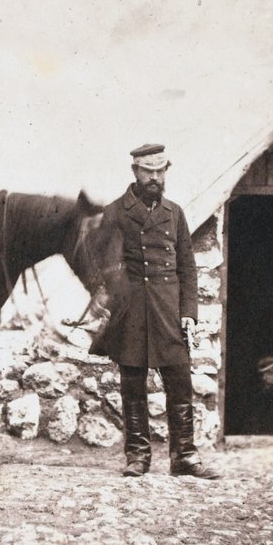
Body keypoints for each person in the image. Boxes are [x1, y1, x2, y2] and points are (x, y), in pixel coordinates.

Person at [90, 143, 221, 479]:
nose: (155, 178)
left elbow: (188, 268)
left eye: (161, 171)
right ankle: (137, 456)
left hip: (168, 309)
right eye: (148, 171)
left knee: (180, 381)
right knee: (132, 384)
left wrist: (188, 311)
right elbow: (97, 259)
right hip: (131, 309)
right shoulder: (116, 212)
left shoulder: (174, 213)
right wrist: (110, 293)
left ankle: (185, 456)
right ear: (135, 171)